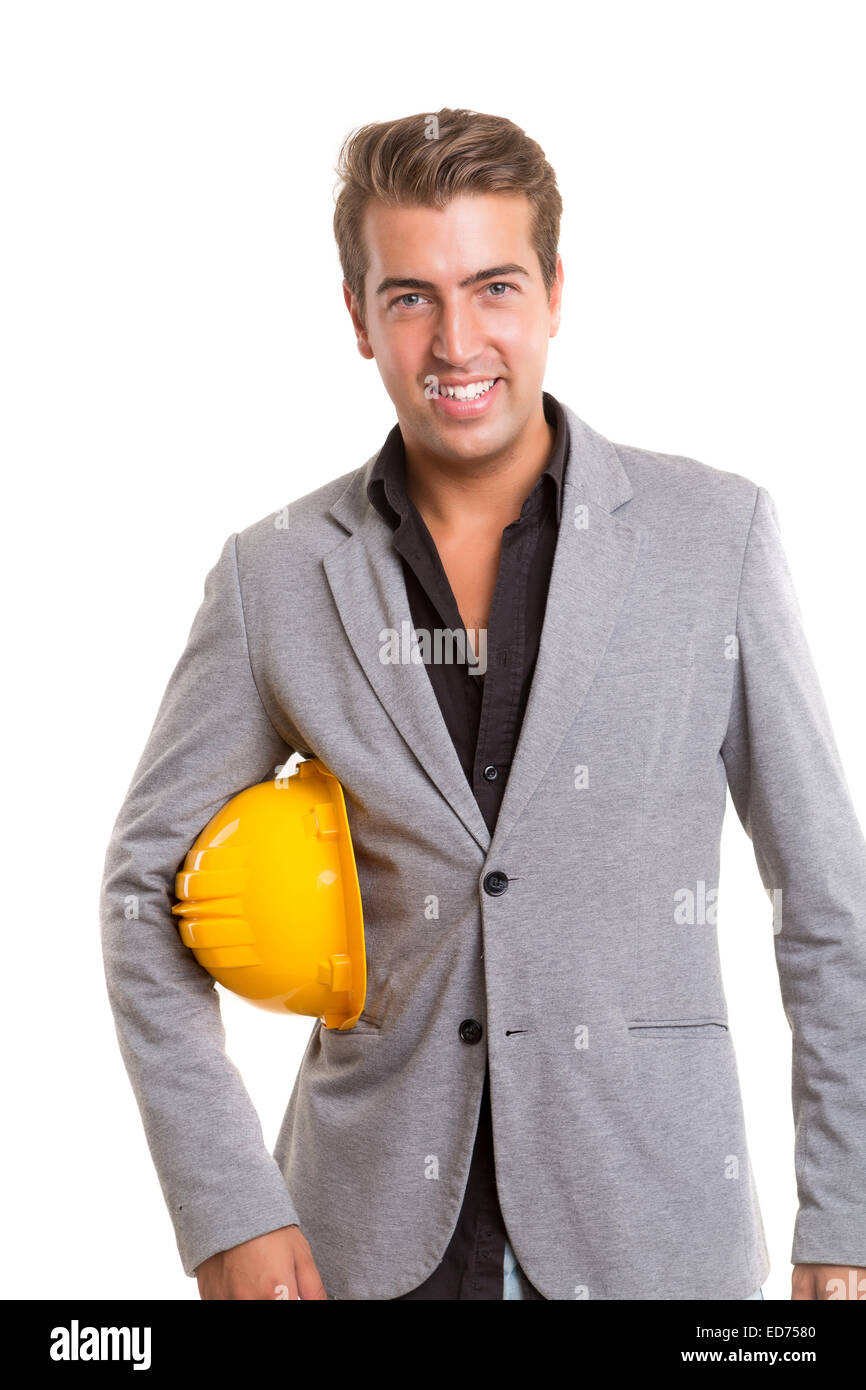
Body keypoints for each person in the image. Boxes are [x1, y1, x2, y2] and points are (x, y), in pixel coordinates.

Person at [100, 107, 866, 1301]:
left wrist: (846, 1215)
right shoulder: (275, 575)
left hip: (654, 1233)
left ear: (555, 291)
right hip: (362, 1246)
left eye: (493, 286)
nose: (456, 340)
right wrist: (226, 1206)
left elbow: (824, 900)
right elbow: (140, 891)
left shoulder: (713, 536)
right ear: (356, 315)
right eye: (409, 296)